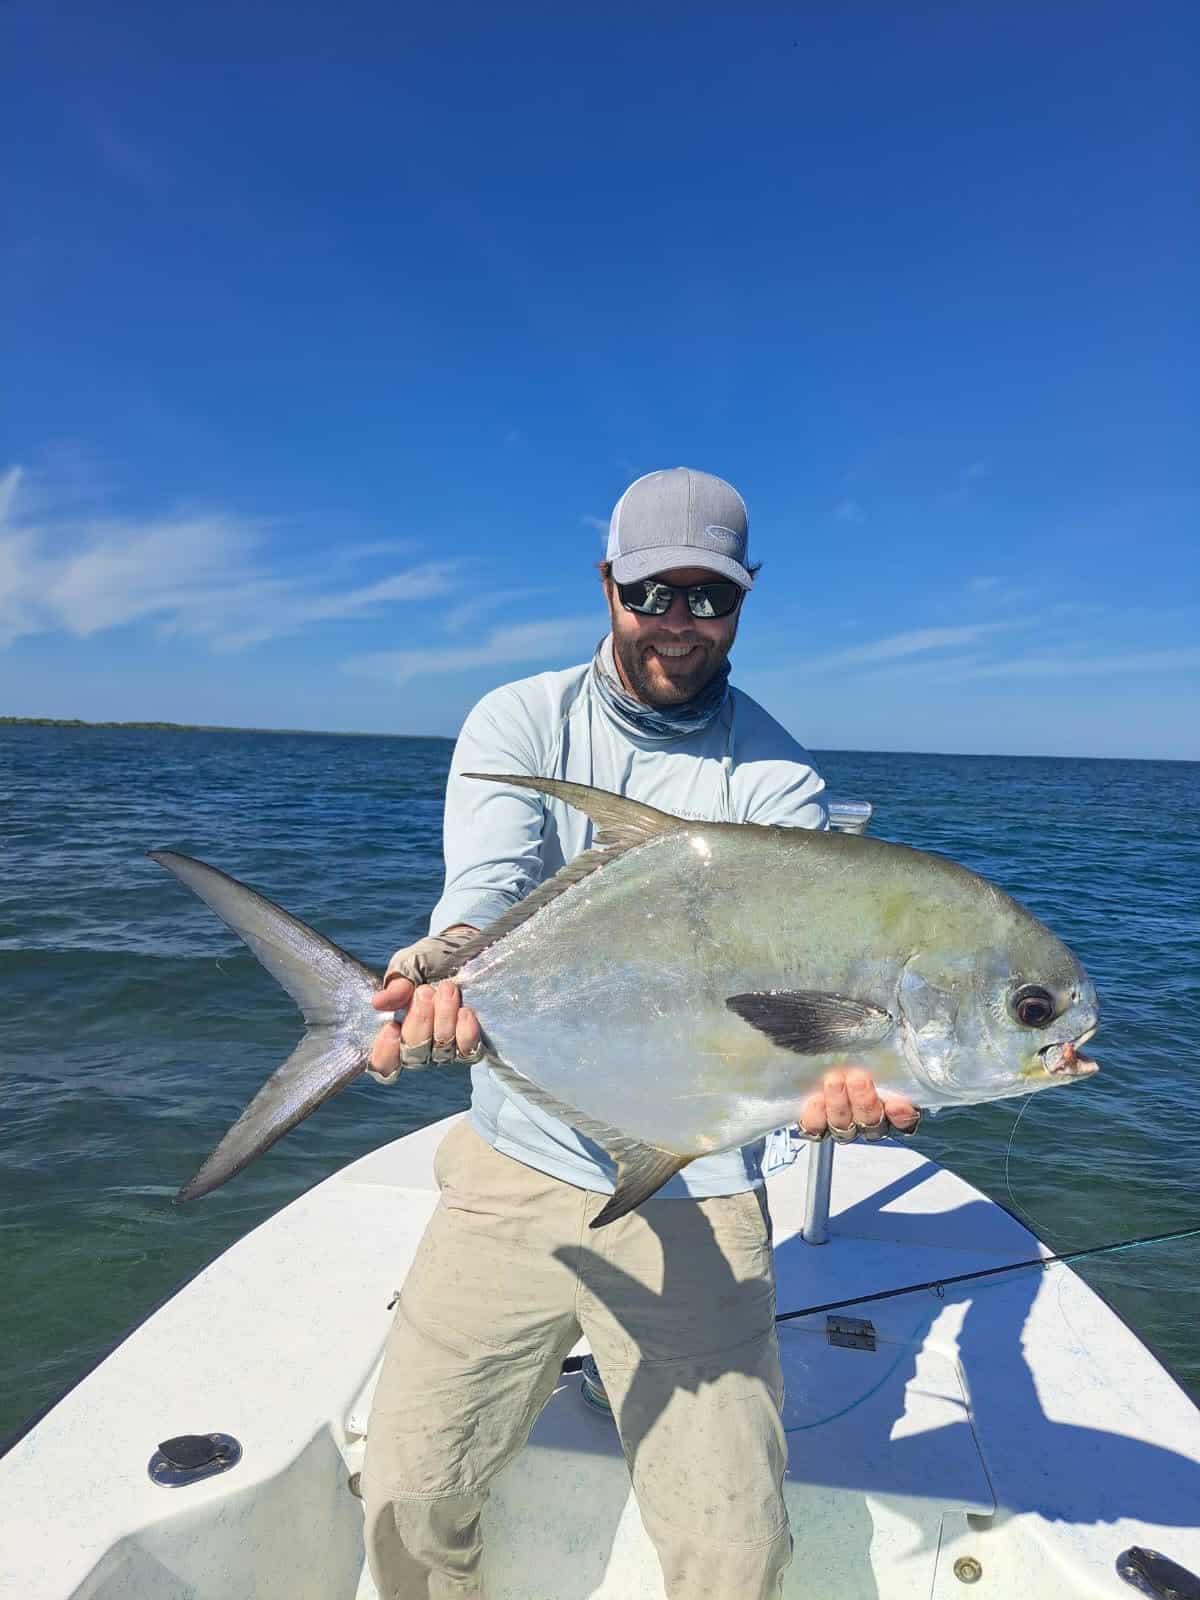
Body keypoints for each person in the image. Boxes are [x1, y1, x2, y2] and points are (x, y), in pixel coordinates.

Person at [360, 467, 920, 1600]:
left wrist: (838, 1076)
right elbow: (491, 886)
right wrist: (443, 969)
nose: (679, 624)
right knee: (409, 1494)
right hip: (518, 1158)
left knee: (738, 1548)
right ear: (607, 584)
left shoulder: (774, 776)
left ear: (744, 601)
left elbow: (793, 983)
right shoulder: (521, 720)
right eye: (653, 593)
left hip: (698, 1181)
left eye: (709, 599)